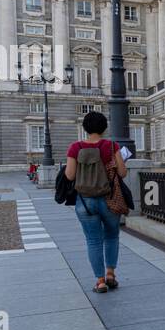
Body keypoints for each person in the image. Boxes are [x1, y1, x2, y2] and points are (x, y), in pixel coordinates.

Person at [65, 111, 127, 294]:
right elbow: (123, 173)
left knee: (93, 241)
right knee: (112, 237)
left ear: (85, 128)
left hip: (85, 201)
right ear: (104, 128)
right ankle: (110, 274)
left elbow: (70, 175)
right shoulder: (111, 146)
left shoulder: (75, 147)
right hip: (110, 199)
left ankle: (100, 281)